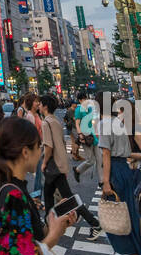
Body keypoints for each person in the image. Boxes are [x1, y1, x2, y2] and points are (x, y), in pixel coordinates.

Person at [0, 116, 81, 255]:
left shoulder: (10, 187)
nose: (40, 152)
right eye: (38, 147)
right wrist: (53, 236)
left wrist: (53, 223)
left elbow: (29, 237)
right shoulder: (13, 195)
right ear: (25, 152)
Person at [98, 96, 141, 255]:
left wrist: (106, 182)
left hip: (115, 172)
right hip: (125, 171)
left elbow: (106, 154)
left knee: (118, 223)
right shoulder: (119, 123)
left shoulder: (106, 124)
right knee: (128, 217)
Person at [36, 94, 101, 237]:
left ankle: (94, 222)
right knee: (48, 195)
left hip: (53, 166)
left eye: (40, 104)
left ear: (45, 106)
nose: (38, 106)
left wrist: (44, 162)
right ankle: (48, 223)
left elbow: (48, 146)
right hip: (59, 163)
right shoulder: (55, 120)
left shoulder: (46, 122)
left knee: (68, 198)